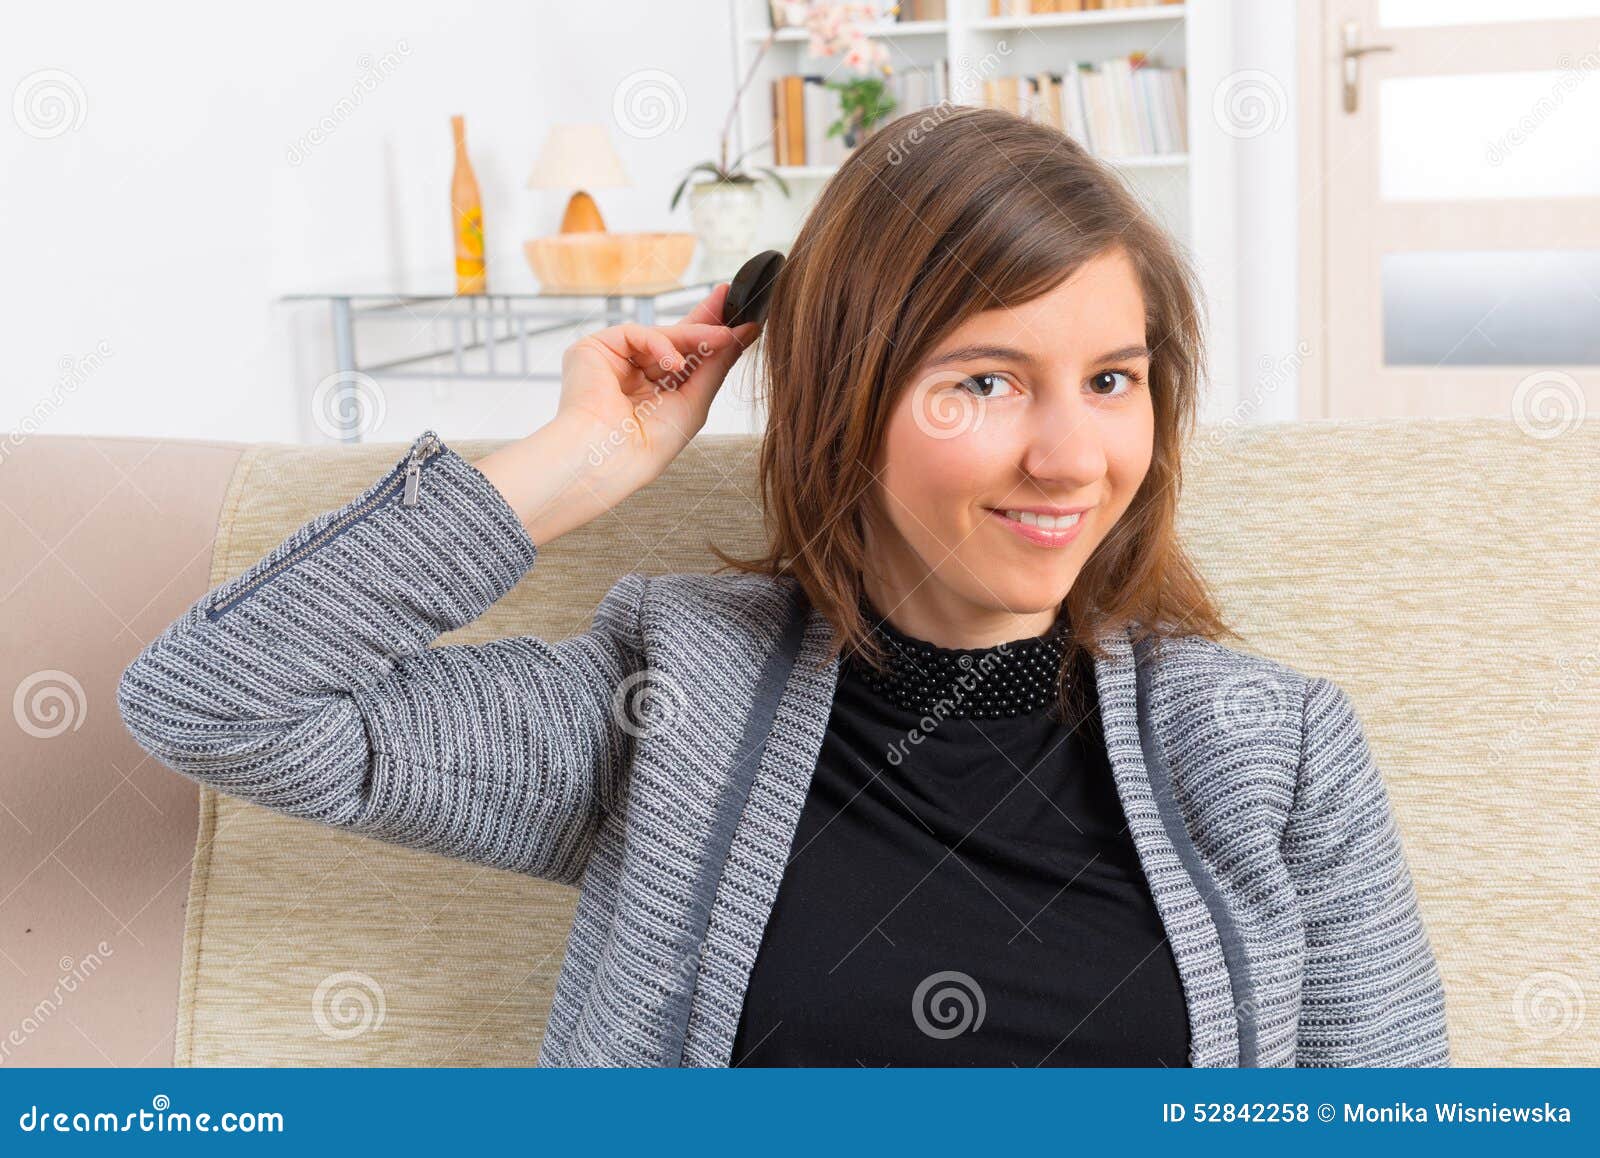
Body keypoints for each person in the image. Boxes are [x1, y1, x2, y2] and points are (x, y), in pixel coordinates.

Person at [118, 106, 1449, 1068]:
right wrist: (576, 459)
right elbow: (217, 703)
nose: (1072, 457)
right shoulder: (669, 697)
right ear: (843, 406)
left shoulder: (1276, 745)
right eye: (983, 381)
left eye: (1112, 379)